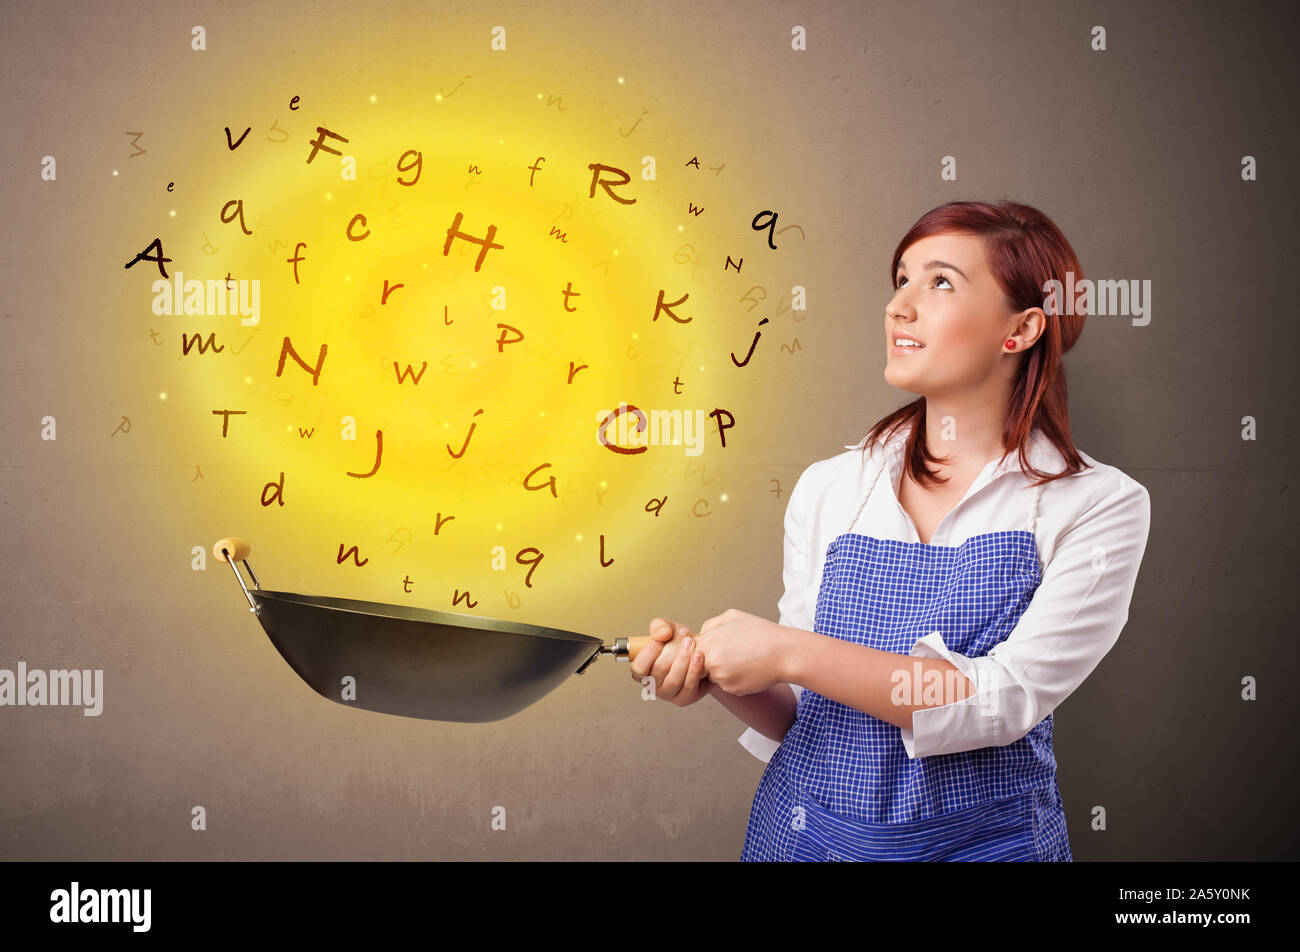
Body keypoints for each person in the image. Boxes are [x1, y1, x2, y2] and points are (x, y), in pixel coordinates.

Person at [631, 199, 1152, 861]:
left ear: (1019, 330)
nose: (898, 306)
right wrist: (721, 677)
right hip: (809, 838)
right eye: (901, 279)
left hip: (983, 846)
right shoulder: (833, 487)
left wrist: (788, 650)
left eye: (939, 282)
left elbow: (1002, 700)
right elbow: (808, 713)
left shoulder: (1097, 506)